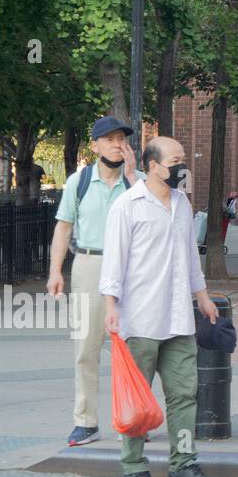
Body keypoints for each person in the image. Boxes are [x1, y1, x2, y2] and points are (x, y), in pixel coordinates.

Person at [101, 136, 222, 477]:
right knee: (137, 399)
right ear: (153, 166)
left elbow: (189, 257)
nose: (181, 165)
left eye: (183, 158)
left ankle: (183, 465)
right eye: (175, 160)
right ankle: (134, 467)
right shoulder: (127, 206)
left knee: (185, 395)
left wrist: (203, 297)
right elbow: (114, 264)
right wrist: (110, 309)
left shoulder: (182, 204)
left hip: (179, 318)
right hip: (139, 319)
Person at [48, 116, 145, 447]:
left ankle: (133, 419)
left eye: (122, 139)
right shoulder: (80, 180)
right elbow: (64, 226)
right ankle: (85, 422)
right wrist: (55, 271)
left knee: (134, 349)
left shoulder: (138, 182)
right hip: (90, 264)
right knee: (86, 348)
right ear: (95, 145)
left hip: (131, 269)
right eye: (110, 139)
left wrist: (133, 176)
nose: (118, 144)